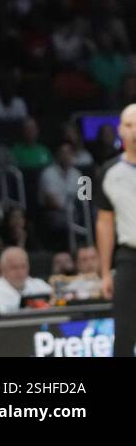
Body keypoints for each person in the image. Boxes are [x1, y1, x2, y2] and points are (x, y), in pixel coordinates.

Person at [96, 103, 136, 356]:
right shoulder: (108, 172)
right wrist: (104, 272)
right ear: (120, 129)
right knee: (123, 334)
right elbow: (104, 223)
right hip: (129, 257)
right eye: (129, 125)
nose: (134, 131)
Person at [0, 247, 53, 312]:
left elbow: (55, 301)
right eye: (14, 267)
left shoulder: (38, 284)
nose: (20, 272)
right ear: (2, 270)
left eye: (23, 266)